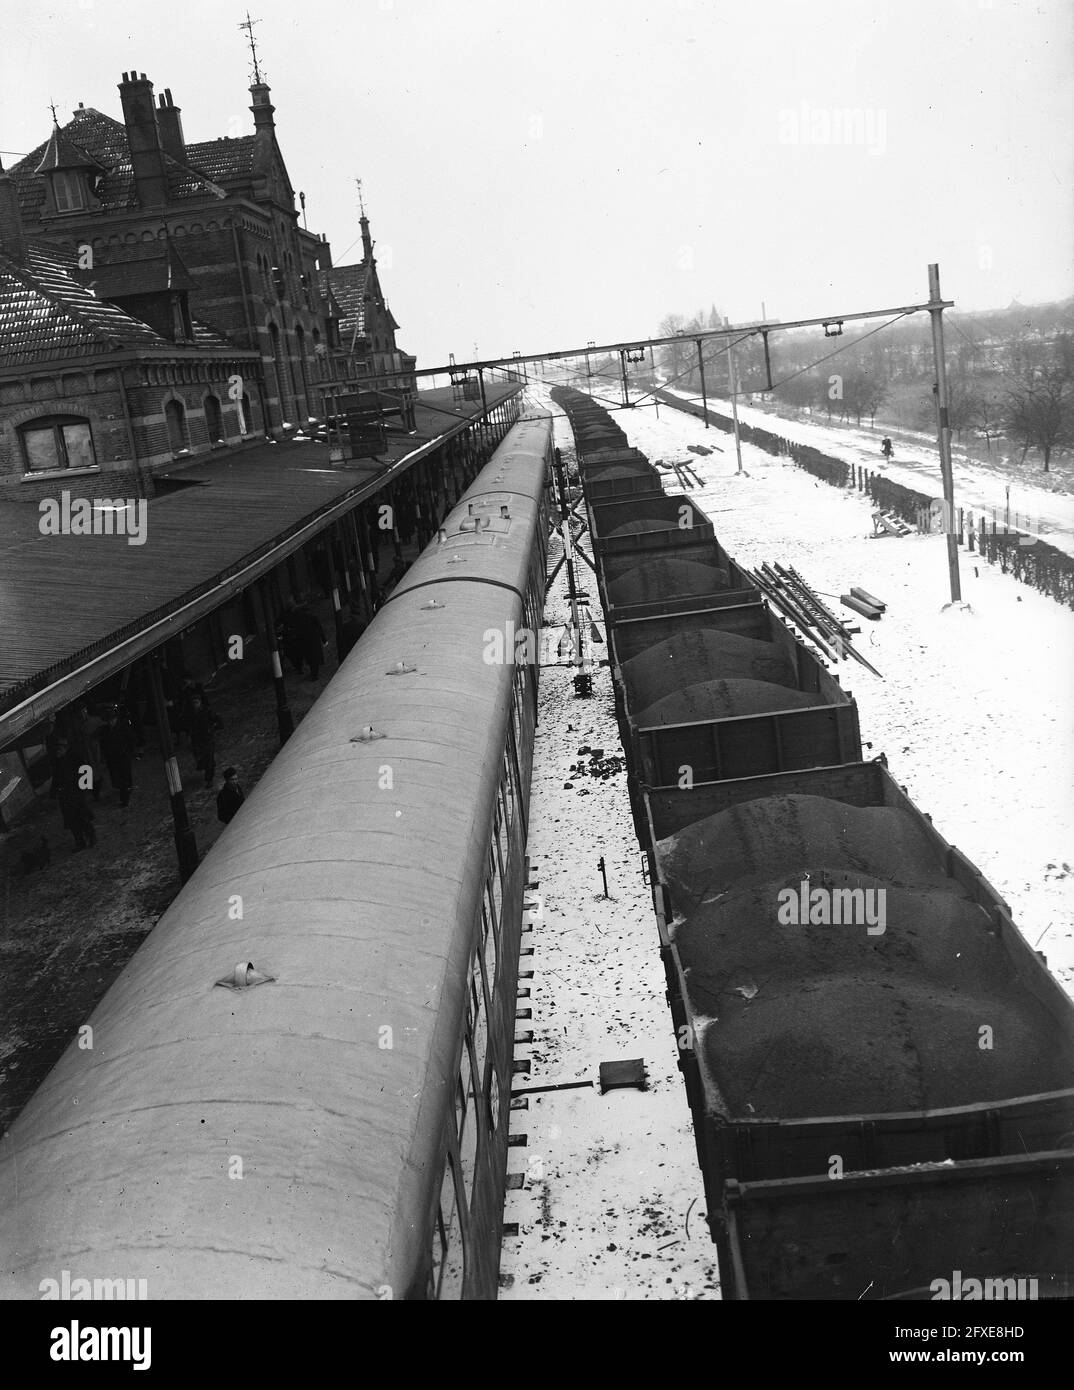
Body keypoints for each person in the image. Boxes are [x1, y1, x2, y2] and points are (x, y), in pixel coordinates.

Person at [49, 736, 96, 849]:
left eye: (60, 749)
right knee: (72, 821)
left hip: (76, 793)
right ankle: (80, 842)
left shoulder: (75, 759)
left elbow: (86, 771)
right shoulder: (57, 762)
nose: (58, 752)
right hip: (64, 796)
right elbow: (56, 778)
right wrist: (53, 792)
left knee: (82, 817)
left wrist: (85, 787)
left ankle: (91, 837)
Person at [100, 706, 135, 807]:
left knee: (124, 777)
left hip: (123, 756)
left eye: (112, 719)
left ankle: (124, 799)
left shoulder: (122, 726)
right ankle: (125, 791)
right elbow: (104, 743)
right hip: (113, 758)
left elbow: (131, 739)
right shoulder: (107, 729)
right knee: (120, 777)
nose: (111, 722)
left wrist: (129, 752)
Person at [187, 694, 221, 788]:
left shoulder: (206, 711)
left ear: (200, 702)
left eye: (197, 702)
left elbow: (216, 720)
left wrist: (213, 729)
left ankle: (209, 779)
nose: (195, 704)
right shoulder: (191, 713)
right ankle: (207, 773)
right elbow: (189, 725)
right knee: (202, 758)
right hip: (197, 741)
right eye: (194, 703)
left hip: (208, 739)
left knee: (209, 760)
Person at [291, 603, 327, 680]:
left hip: (306, 641)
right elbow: (320, 629)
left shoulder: (299, 620)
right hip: (314, 640)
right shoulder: (313, 617)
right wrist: (324, 639)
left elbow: (298, 631)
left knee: (310, 658)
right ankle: (315, 674)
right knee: (315, 657)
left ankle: (313, 673)